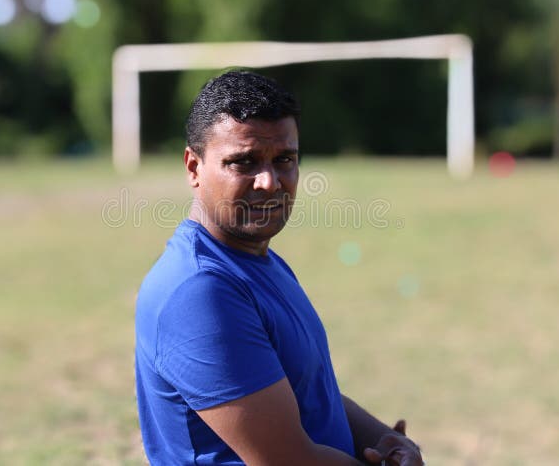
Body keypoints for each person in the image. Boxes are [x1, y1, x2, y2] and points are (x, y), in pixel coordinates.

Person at [135, 70, 424, 465]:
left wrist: (385, 440)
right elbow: (287, 460)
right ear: (193, 168)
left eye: (284, 159)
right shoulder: (199, 291)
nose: (270, 182)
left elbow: (305, 390)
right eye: (244, 162)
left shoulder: (257, 260)